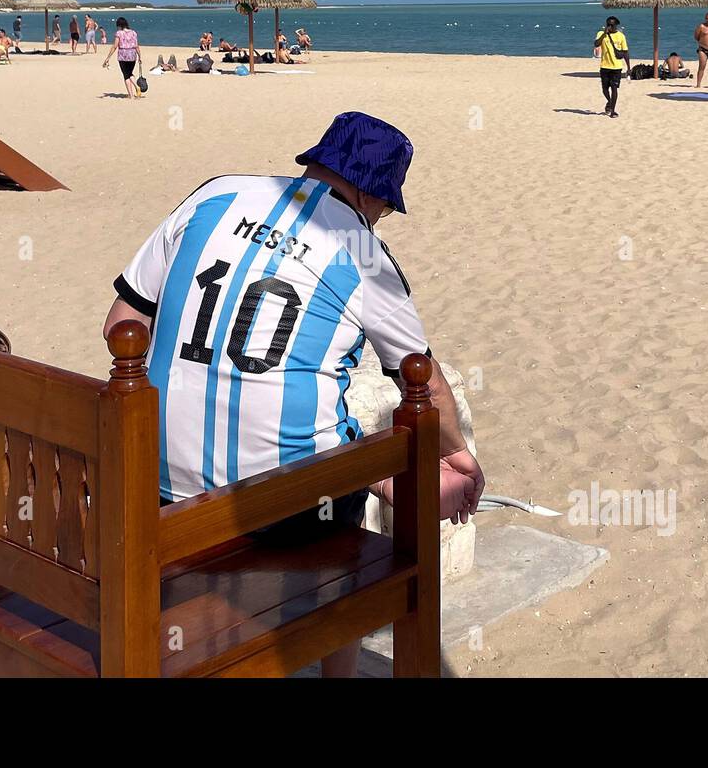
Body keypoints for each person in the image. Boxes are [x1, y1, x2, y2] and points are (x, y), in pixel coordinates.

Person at [102, 111, 484, 677]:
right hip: (287, 510)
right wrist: (460, 458)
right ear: (367, 191)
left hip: (154, 488)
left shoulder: (216, 195)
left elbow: (119, 323)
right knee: (356, 472)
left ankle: (374, 481)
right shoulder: (365, 255)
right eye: (383, 206)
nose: (381, 219)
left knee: (340, 457)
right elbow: (420, 379)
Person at [594, 15, 631, 117]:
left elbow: (625, 52)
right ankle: (609, 102)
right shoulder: (601, 34)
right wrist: (603, 35)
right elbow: (596, 44)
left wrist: (628, 67)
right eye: (608, 24)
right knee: (605, 89)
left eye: (612, 25)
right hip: (605, 66)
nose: (609, 27)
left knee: (614, 88)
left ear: (616, 26)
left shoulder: (621, 36)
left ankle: (613, 110)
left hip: (616, 67)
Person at [102, 16, 142, 98]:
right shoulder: (133, 32)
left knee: (126, 75)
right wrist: (140, 56)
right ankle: (136, 88)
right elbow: (136, 46)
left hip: (123, 55)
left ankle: (131, 94)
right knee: (130, 73)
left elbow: (115, 46)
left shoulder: (119, 33)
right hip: (132, 54)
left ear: (119, 25)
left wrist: (108, 57)